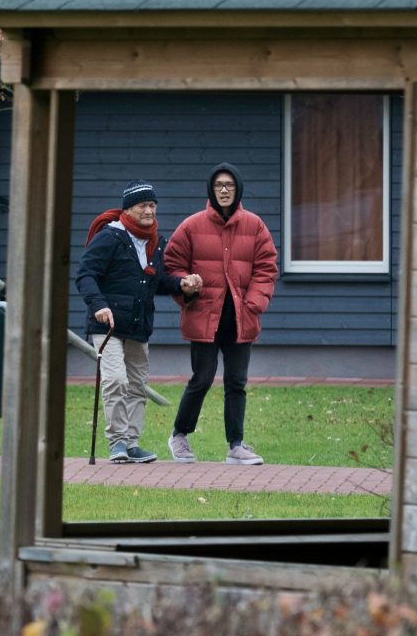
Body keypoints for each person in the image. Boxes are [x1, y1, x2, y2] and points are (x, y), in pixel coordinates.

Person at [74, 181, 200, 465]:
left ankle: (131, 444)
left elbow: (157, 281)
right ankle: (117, 442)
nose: (149, 210)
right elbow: (85, 275)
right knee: (116, 380)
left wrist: (183, 285)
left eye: (152, 205)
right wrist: (99, 305)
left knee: (137, 386)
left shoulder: (155, 241)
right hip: (107, 325)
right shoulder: (110, 237)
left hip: (139, 325)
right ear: (128, 209)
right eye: (142, 205)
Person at [162, 163, 278, 465]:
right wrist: (186, 285)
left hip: (241, 319)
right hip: (204, 317)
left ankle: (236, 445)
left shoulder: (255, 226)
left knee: (236, 382)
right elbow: (172, 265)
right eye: (218, 186)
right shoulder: (191, 226)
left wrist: (253, 303)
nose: (224, 190)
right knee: (202, 379)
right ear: (211, 191)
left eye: (229, 185)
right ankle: (179, 436)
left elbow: (266, 267)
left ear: (237, 189)